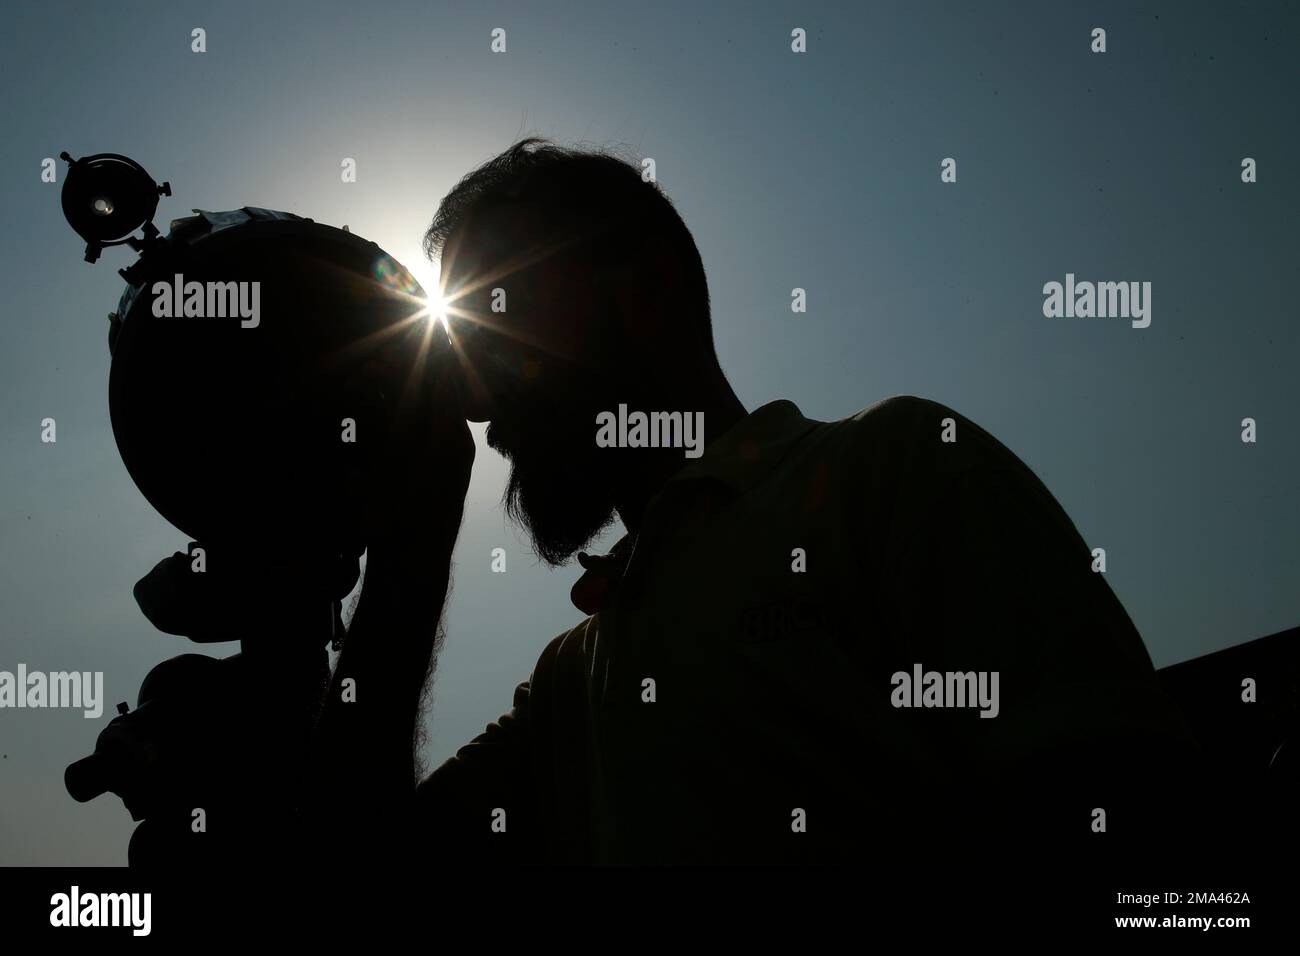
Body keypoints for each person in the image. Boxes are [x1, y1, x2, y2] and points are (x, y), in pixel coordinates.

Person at [103, 138, 1200, 869]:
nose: (475, 393)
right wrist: (401, 558)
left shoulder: (893, 470)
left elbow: (1135, 833)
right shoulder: (572, 684)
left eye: (498, 311)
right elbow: (356, 881)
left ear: (647, 291)